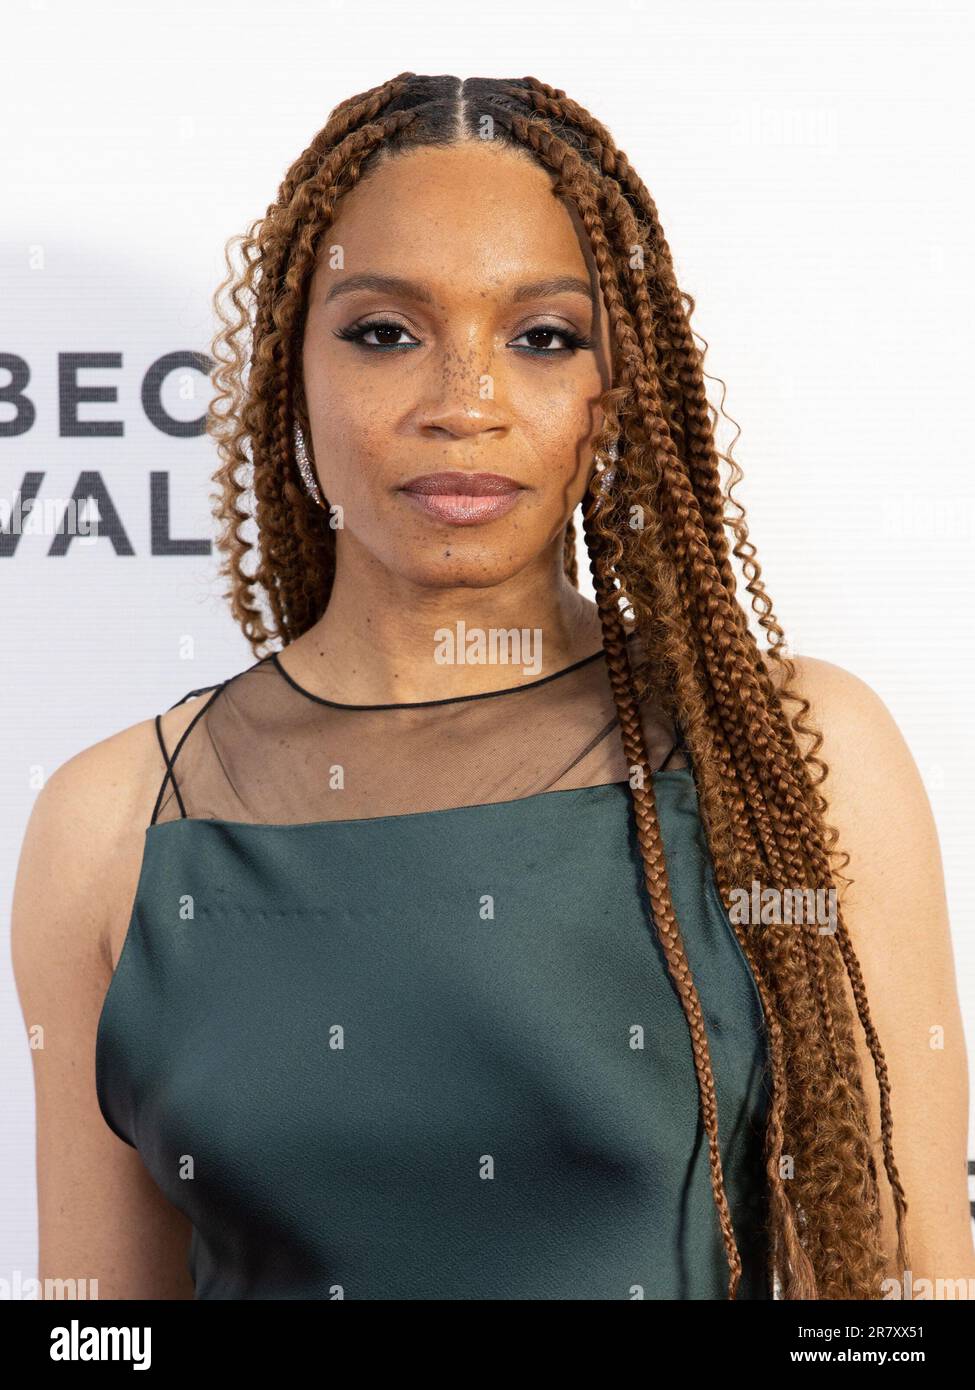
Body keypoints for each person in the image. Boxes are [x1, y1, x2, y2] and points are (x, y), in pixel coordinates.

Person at [12, 72, 974, 1301]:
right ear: (287, 378)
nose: (463, 402)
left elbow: (903, 1296)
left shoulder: (787, 758)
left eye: (541, 337)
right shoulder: (108, 827)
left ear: (613, 390)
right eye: (383, 332)